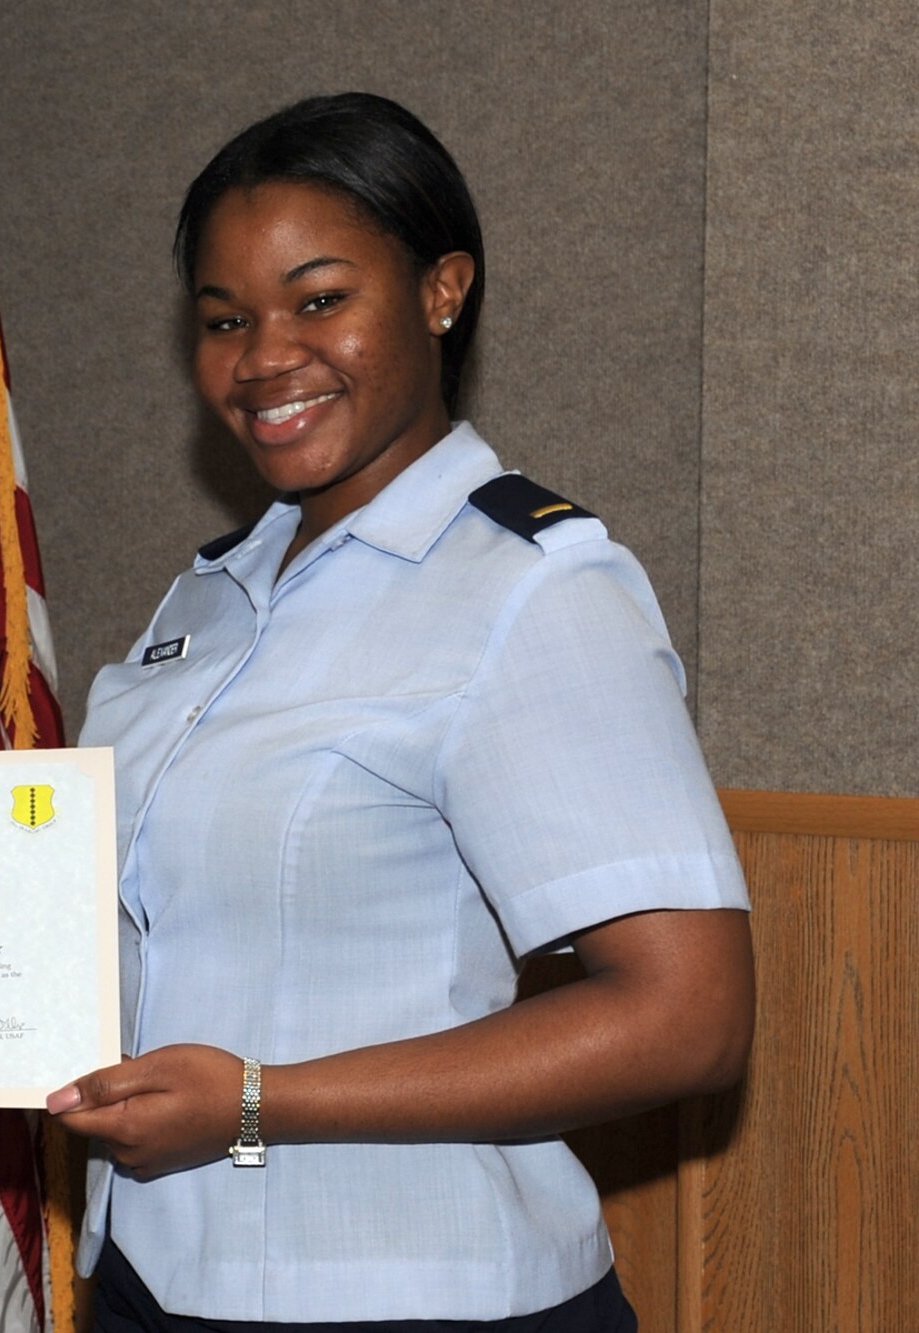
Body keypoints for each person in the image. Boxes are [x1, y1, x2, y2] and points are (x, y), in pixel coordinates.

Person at [43, 93, 755, 1331]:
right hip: (152, 1279)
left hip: (412, 1291)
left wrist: (259, 1102)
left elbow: (683, 1018)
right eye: (224, 320)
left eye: (319, 300)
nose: (264, 356)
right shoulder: (206, 599)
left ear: (441, 290)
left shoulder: (533, 589)